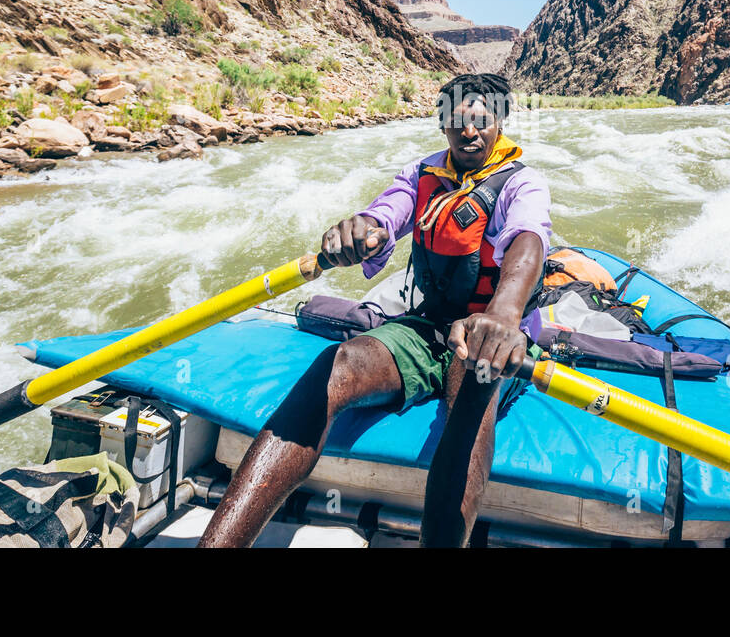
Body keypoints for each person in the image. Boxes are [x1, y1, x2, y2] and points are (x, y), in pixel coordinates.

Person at [198, 72, 552, 547]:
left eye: (482, 121)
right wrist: (363, 232)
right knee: (338, 364)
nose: (469, 132)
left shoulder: (522, 183)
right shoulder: (422, 173)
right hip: (429, 324)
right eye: (457, 121)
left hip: (491, 334)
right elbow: (386, 213)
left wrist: (505, 315)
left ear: (501, 121)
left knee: (470, 390)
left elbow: (528, 242)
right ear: (443, 125)